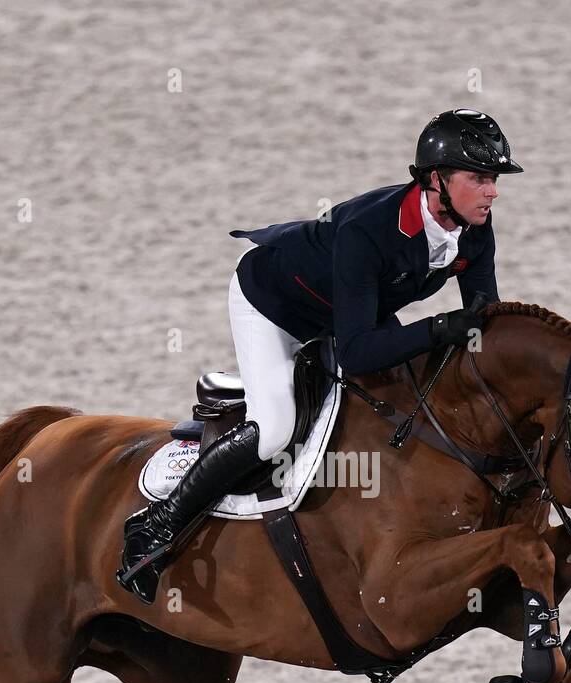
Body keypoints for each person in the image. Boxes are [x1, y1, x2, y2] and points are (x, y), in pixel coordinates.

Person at [117, 108, 523, 604]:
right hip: (273, 305)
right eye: (480, 178)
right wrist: (440, 328)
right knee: (275, 429)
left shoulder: (474, 228)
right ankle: (155, 527)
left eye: (495, 179)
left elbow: (485, 315)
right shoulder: (370, 231)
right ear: (436, 180)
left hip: (347, 310)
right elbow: (356, 354)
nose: (493, 191)